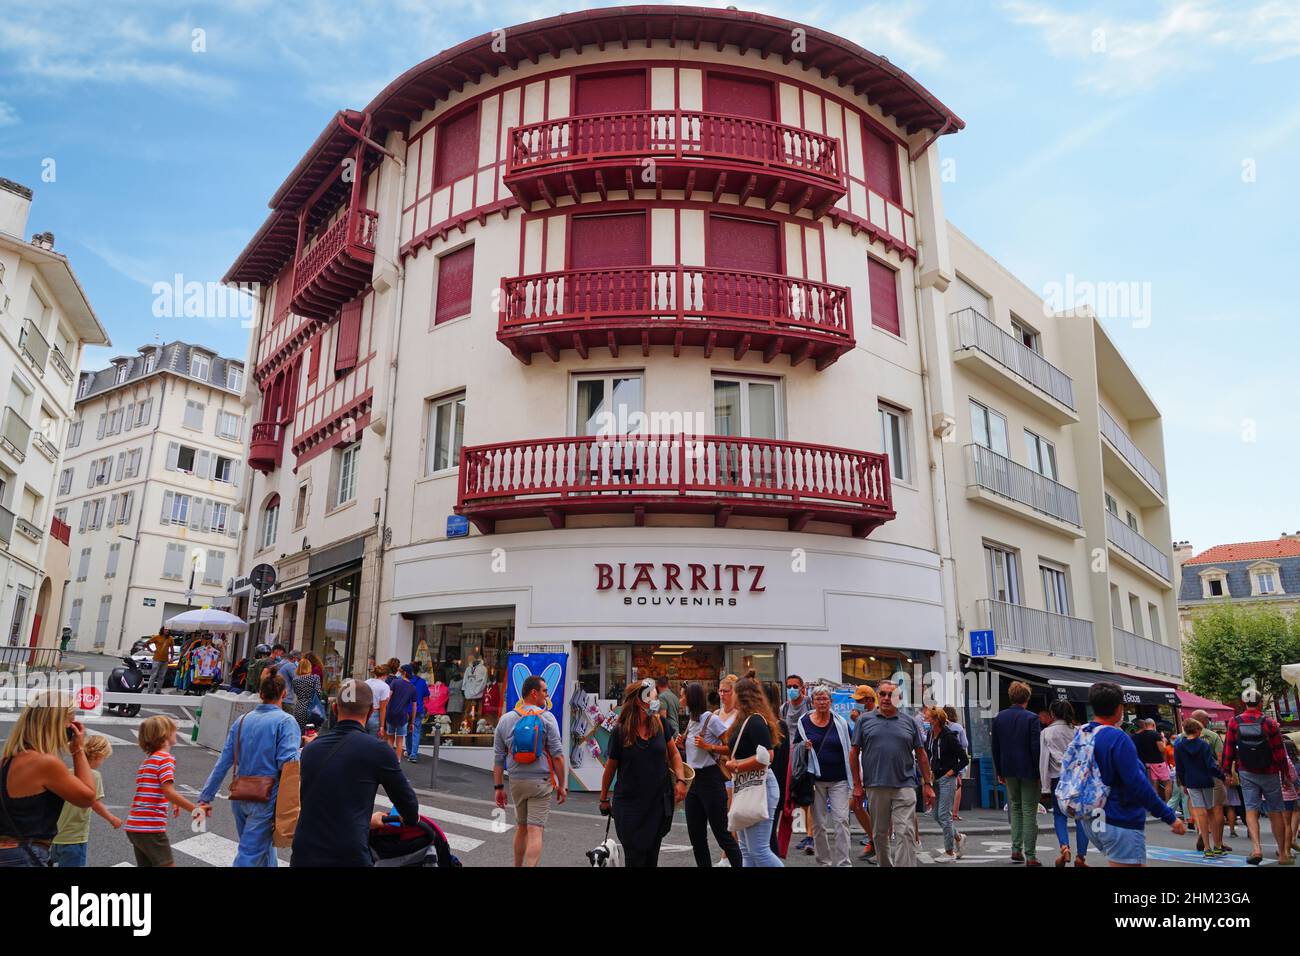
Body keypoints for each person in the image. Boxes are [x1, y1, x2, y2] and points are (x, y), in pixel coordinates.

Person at [291, 679, 420, 867]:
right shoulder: (378, 751)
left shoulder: (311, 749)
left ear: (335, 709)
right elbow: (409, 808)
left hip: (305, 853)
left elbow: (323, 801)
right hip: (347, 853)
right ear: (370, 713)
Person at [1076, 681, 1187, 866]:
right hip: (1119, 817)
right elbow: (1137, 783)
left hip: (1092, 816)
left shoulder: (1083, 732)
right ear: (1120, 707)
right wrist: (1169, 816)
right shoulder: (1117, 738)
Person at [197, 672, 301, 866]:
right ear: (284, 693)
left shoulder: (242, 721)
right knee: (250, 853)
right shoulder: (286, 722)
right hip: (267, 797)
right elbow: (288, 764)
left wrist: (206, 797)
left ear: (260, 693)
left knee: (263, 849)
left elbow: (224, 762)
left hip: (241, 793)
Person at [0, 691, 98, 867]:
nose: (74, 728)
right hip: (24, 855)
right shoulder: (45, 763)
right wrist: (78, 750)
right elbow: (87, 797)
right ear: (57, 724)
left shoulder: (7, 760)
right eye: (71, 722)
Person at [599, 678, 688, 868]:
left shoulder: (661, 723)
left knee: (651, 859)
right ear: (640, 701)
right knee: (635, 858)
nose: (657, 702)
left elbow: (674, 754)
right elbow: (610, 768)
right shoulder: (621, 731)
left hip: (657, 805)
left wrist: (680, 780)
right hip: (630, 807)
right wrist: (604, 798)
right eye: (653, 697)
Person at [851, 679, 933, 867]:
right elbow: (853, 753)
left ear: (899, 698)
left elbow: (921, 755)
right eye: (883, 694)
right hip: (876, 785)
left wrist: (928, 784)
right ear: (877, 696)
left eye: (892, 695)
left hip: (905, 785)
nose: (887, 698)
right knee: (879, 834)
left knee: (905, 832)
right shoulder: (864, 721)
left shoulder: (910, 722)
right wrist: (857, 785)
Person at [492, 674, 566, 867]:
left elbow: (499, 759)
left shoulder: (505, 720)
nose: (546, 696)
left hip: (516, 780)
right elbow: (557, 755)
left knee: (521, 828)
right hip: (540, 782)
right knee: (535, 830)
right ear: (534, 693)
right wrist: (562, 784)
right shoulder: (547, 718)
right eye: (544, 691)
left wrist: (499, 787)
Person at [1220, 687, 1294, 865]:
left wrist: (1226, 772)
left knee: (1251, 810)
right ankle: (1283, 854)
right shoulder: (1270, 723)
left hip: (1246, 772)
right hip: (1270, 772)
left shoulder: (1234, 722)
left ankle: (1256, 849)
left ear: (1244, 703)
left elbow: (1228, 750)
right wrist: (1285, 774)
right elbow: (1279, 752)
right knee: (1276, 812)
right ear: (1260, 703)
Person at [722, 676, 784, 867]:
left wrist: (737, 766)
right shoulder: (746, 720)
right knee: (747, 851)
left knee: (759, 850)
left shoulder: (755, 721)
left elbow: (767, 756)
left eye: (730, 691)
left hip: (760, 786)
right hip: (749, 785)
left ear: (740, 695)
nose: (726, 696)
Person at [123, 715, 200, 867]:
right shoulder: (166, 758)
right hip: (150, 827)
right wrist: (194, 809)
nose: (176, 732)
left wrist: (173, 802)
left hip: (135, 825)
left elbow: (152, 789)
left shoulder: (148, 761)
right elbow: (167, 791)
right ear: (165, 734)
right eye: (174, 730)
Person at [679, 682, 740, 867]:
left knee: (722, 834)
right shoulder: (691, 720)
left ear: (692, 698)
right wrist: (680, 743)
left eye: (683, 696)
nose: (681, 699)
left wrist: (709, 746)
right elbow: (691, 751)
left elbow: (731, 746)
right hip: (693, 782)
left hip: (710, 779)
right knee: (696, 838)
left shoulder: (710, 719)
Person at [796, 684, 854, 867]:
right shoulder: (803, 722)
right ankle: (824, 862)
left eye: (825, 699)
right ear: (812, 702)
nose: (822, 702)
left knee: (841, 821)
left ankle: (844, 862)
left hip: (839, 779)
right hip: (816, 780)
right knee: (819, 824)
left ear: (831, 701)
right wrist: (803, 747)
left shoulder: (841, 723)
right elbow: (795, 746)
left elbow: (852, 748)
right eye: (818, 699)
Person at [991, 681, 1042, 865]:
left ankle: (1015, 848)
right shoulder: (1032, 718)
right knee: (1029, 810)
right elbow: (1035, 748)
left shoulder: (999, 718)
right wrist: (1039, 772)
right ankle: (1030, 855)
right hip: (1028, 769)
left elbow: (995, 747)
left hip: (1008, 768)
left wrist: (999, 770)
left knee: (1016, 807)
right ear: (1026, 699)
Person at [51, 734, 121, 866]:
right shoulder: (93, 775)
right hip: (75, 838)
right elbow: (94, 803)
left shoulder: (68, 772)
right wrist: (112, 819)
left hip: (56, 836)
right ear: (98, 757)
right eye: (104, 759)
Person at [1040, 700, 1088, 867]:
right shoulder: (1078, 731)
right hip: (1078, 779)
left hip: (1057, 779)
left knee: (1059, 816)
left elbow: (1044, 761)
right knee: (1081, 817)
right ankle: (1081, 857)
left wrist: (1045, 787)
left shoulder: (1047, 732)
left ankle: (1064, 847)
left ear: (1053, 713)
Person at [1173, 718, 1227, 860]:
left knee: (1200, 813)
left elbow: (1180, 768)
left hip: (1191, 781)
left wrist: (1183, 783)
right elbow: (1210, 765)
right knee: (1211, 812)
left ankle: (1207, 848)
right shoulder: (1204, 746)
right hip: (1205, 780)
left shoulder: (1179, 746)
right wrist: (1222, 776)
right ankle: (1217, 846)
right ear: (1197, 730)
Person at [927, 706, 968, 862]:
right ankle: (958, 837)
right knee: (936, 815)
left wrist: (952, 772)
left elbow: (963, 759)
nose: (926, 719)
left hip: (946, 778)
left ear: (936, 720)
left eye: (929, 717)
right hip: (935, 778)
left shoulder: (949, 736)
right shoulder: (931, 735)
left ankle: (949, 851)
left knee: (944, 815)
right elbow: (929, 754)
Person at [780, 674, 814, 855]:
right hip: (790, 756)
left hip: (807, 754)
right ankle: (805, 832)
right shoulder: (784, 708)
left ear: (802, 688)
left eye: (795, 686)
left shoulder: (809, 704)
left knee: (807, 795)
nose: (792, 689)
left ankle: (810, 836)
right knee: (795, 795)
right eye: (789, 686)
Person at [1190, 709, 1230, 852]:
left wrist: (1181, 780)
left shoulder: (1183, 738)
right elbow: (1219, 758)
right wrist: (1223, 775)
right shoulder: (1212, 736)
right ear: (1203, 720)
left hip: (1192, 777)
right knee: (1216, 808)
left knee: (1199, 809)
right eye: (1208, 719)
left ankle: (1202, 832)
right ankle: (1218, 842)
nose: (1209, 721)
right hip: (1211, 776)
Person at [384, 664, 418, 760]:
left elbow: (388, 697)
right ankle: (397, 761)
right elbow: (414, 706)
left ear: (404, 673)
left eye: (400, 671)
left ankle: (389, 760)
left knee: (390, 739)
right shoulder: (413, 688)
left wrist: (384, 710)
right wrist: (412, 722)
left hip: (391, 714)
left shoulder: (395, 682)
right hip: (403, 717)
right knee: (400, 740)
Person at [1133, 718, 1171, 801]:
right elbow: (1162, 749)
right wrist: (1164, 741)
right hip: (1158, 762)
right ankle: (1169, 805)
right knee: (1168, 783)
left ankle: (1156, 804)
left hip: (1149, 763)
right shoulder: (1155, 734)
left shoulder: (1140, 735)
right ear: (1153, 725)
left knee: (1154, 784)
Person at [943, 705, 969, 823]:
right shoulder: (958, 727)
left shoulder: (943, 727)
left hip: (945, 760)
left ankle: (944, 811)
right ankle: (954, 813)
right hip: (958, 759)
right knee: (958, 785)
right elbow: (965, 743)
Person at [290, 658, 324, 735]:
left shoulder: (295, 680)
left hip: (299, 708)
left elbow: (296, 693)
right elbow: (318, 693)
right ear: (309, 667)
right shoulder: (315, 678)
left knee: (299, 733)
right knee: (311, 733)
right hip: (312, 709)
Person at [404, 663, 430, 764]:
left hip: (406, 709)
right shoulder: (422, 682)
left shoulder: (405, 681)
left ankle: (409, 751)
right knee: (416, 732)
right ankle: (413, 754)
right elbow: (426, 695)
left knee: (407, 731)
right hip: (418, 709)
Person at [365, 664, 391, 736]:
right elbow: (383, 708)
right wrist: (382, 726)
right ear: (385, 675)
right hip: (375, 714)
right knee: (373, 743)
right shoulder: (385, 687)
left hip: (364, 713)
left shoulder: (367, 682)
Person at [142, 630, 171, 694]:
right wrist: (151, 650)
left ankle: (158, 690)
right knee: (154, 675)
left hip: (165, 660)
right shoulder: (157, 637)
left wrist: (171, 658)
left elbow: (172, 648)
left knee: (162, 676)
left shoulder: (170, 638)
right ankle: (150, 690)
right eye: (166, 630)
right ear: (162, 630)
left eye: (168, 630)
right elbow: (146, 643)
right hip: (156, 659)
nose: (167, 631)